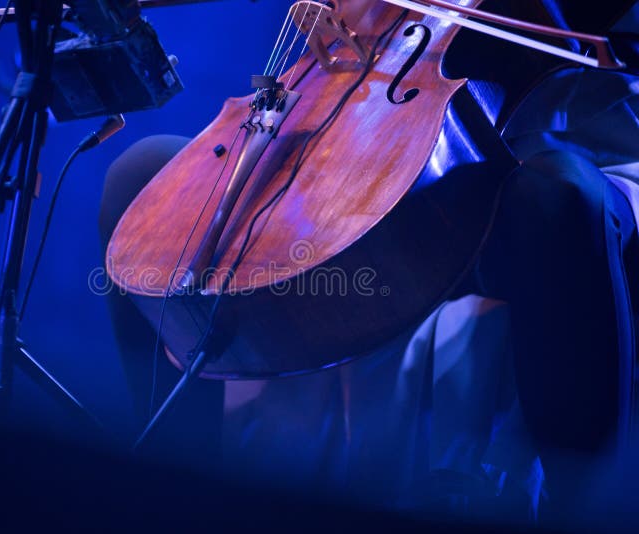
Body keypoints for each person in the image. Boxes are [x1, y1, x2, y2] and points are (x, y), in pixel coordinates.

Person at [99, 0, 639, 524]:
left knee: (557, 198)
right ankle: (180, 487)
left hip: (579, 143)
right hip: (375, 103)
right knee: (141, 181)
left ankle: (582, 506)